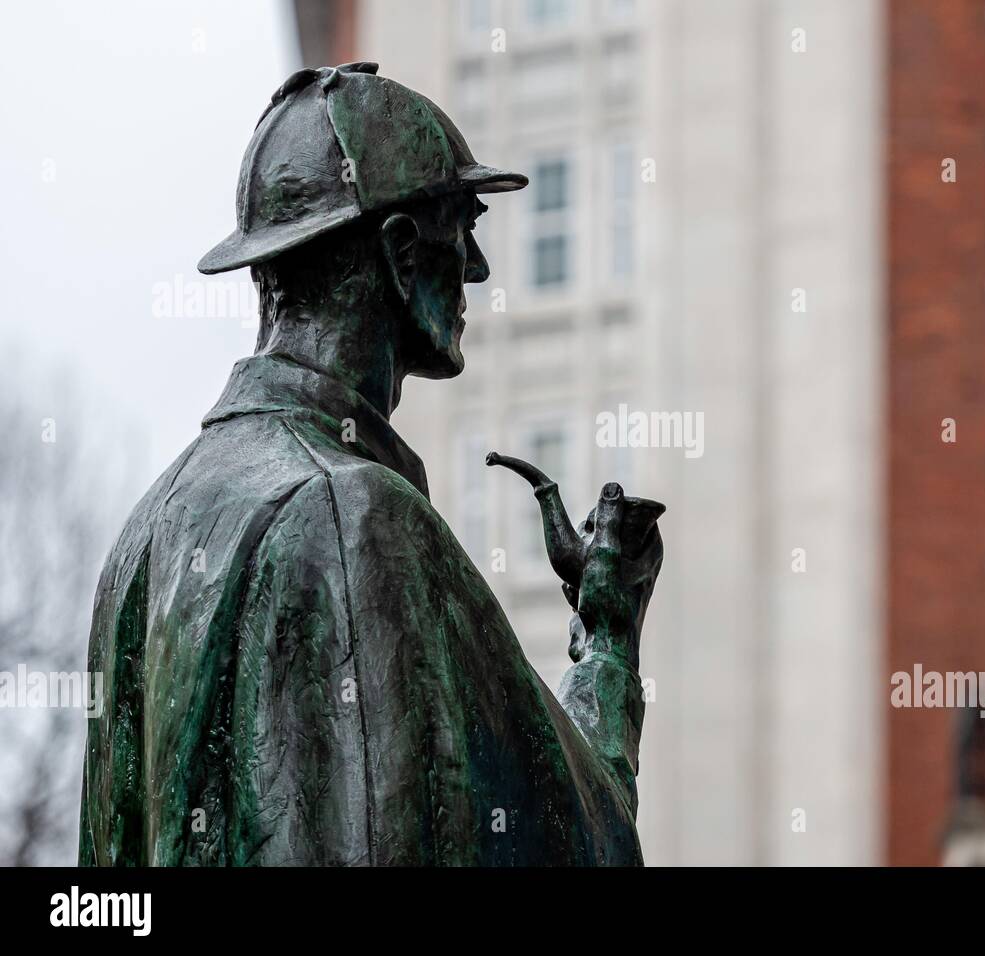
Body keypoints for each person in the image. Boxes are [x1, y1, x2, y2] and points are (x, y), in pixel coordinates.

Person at [79, 63, 662, 866]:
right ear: (399, 254)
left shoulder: (140, 542)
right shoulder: (358, 515)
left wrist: (606, 641)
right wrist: (609, 646)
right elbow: (585, 839)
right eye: (463, 229)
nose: (479, 271)